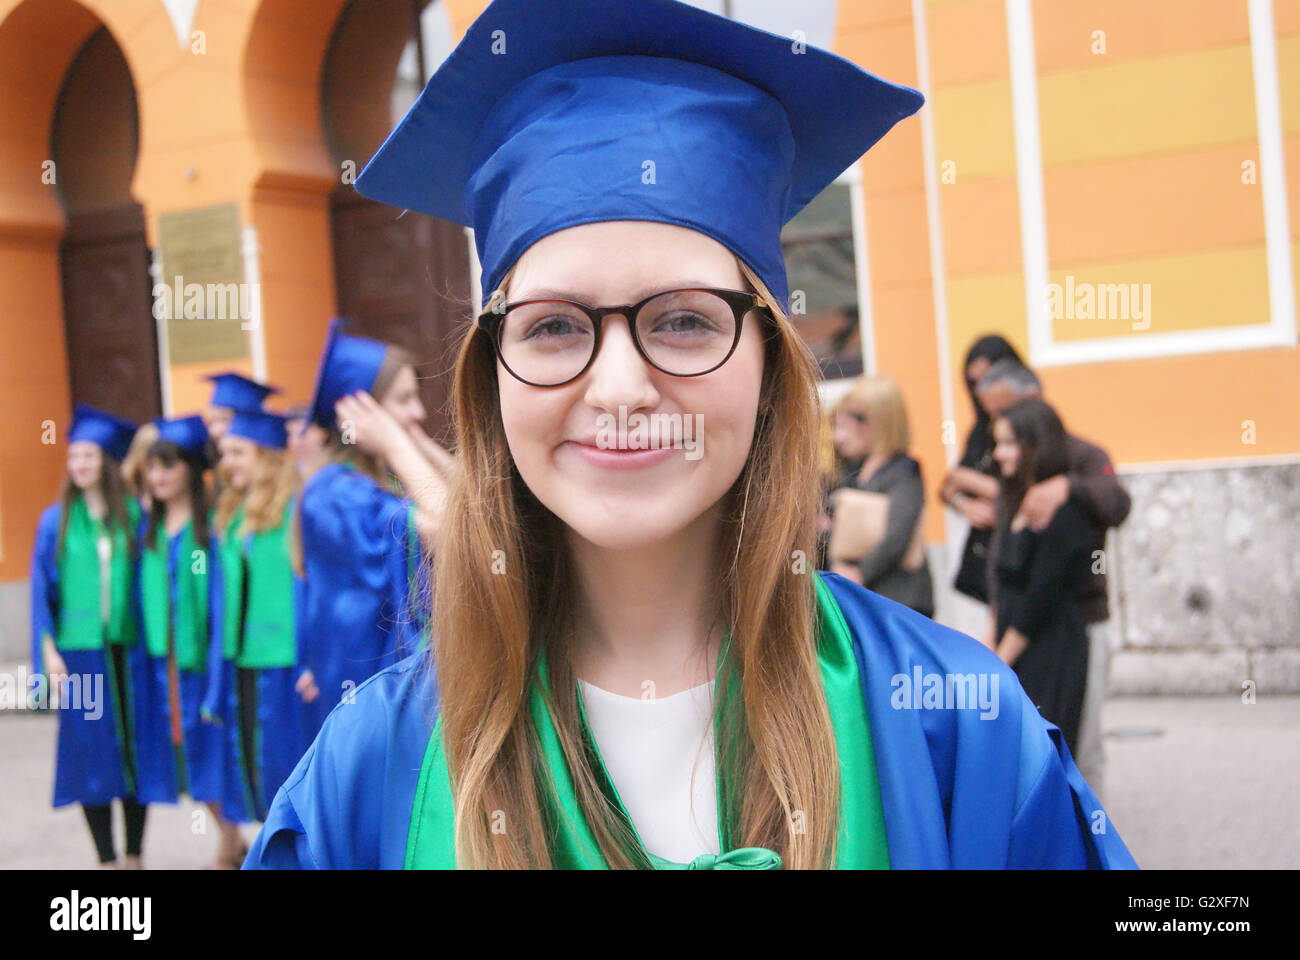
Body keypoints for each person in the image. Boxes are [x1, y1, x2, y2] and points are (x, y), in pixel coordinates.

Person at [245, 0, 1135, 870]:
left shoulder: (955, 728)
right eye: (553, 326)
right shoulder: (369, 775)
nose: (622, 387)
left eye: (683, 321)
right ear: (490, 383)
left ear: (770, 368)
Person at [975, 358, 1131, 798]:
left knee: (1081, 741)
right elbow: (1005, 576)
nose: (996, 429)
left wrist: (1069, 487)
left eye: (1004, 415)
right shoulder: (1014, 481)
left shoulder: (1083, 459)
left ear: (1031, 408)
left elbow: (1118, 504)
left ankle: (1093, 841)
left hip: (1076, 624)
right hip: (1027, 633)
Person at [293, 320, 448, 747]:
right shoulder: (335, 495)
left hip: (395, 689)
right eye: (403, 400)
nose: (419, 411)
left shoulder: (379, 485)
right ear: (363, 414)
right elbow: (454, 529)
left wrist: (413, 443)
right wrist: (399, 447)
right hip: (369, 697)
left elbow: (475, 512)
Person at [30, 405, 146, 868]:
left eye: (89, 456)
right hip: (80, 656)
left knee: (134, 754)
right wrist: (48, 651)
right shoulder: (53, 521)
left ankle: (135, 857)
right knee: (91, 755)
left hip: (129, 652)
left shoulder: (133, 516)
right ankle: (107, 860)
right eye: (73, 456)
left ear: (107, 462)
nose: (79, 465)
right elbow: (41, 591)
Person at [132, 415, 240, 868]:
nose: (157, 476)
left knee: (209, 753)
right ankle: (232, 841)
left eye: (167, 466)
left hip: (201, 664)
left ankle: (229, 845)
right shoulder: (146, 527)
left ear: (191, 470)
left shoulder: (209, 528)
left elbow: (220, 603)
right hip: (161, 666)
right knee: (187, 761)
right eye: (153, 467)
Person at [988, 398, 1098, 756]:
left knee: (1046, 755)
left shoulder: (1063, 510)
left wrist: (999, 662)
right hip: (1016, 645)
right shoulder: (1014, 499)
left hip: (1052, 650)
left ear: (1034, 445)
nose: (998, 453)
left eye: (1008, 443)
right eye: (997, 442)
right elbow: (1002, 587)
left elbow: (1041, 597)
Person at [210, 409, 303, 825]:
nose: (227, 462)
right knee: (253, 765)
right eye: (225, 453)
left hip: (283, 657)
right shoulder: (232, 511)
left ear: (266, 456)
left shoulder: (294, 507)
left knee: (286, 767)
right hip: (242, 657)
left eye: (237, 452)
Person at [824, 375, 934, 617]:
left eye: (858, 417)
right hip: (865, 596)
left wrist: (860, 573)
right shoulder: (853, 471)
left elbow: (898, 535)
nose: (848, 427)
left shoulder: (904, 471)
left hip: (900, 597)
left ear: (882, 420)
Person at [938, 335, 1024, 608]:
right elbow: (947, 488)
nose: (980, 391)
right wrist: (965, 504)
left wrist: (969, 480)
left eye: (987, 379)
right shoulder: (980, 431)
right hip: (985, 563)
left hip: (1021, 555)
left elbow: (1025, 491)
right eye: (973, 383)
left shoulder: (1030, 424)